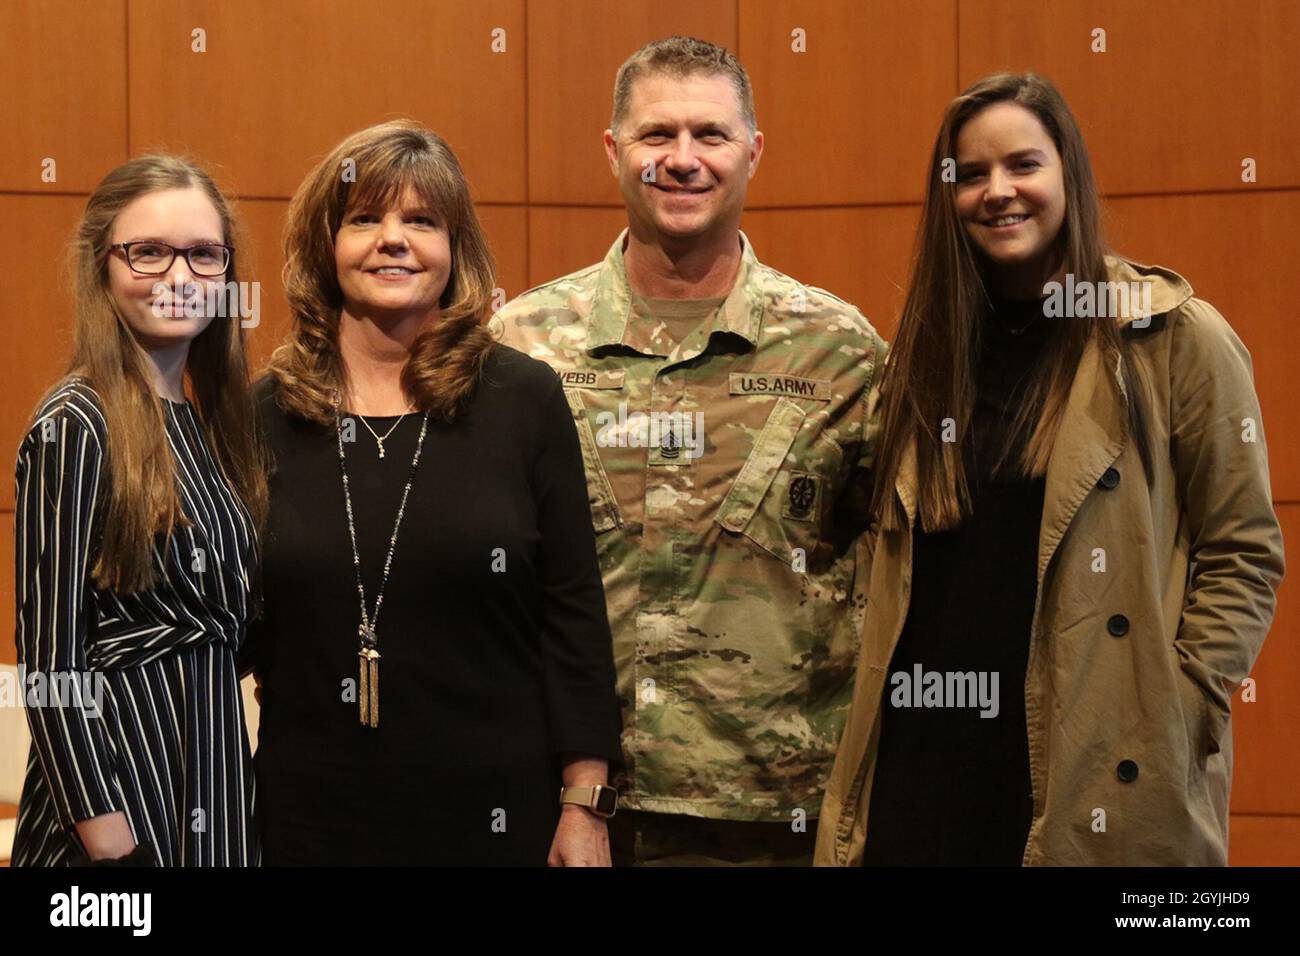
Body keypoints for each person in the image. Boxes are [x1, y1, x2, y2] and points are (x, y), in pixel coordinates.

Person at [815, 73, 1285, 866]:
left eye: (1023, 165)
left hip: (1091, 767)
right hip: (923, 763)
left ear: (1068, 172)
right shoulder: (923, 360)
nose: (998, 192)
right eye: (970, 175)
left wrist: (1181, 708)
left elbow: (1244, 552)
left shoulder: (1173, 338)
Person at [492, 36, 887, 866]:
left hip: (775, 819)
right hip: (569, 812)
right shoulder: (523, 343)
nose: (682, 160)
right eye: (655, 136)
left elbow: (907, 567)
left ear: (752, 150)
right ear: (613, 151)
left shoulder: (839, 351)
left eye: (709, 134)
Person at [248, 120, 622, 866]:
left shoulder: (525, 399)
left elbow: (574, 613)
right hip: (308, 824)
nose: (393, 239)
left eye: (422, 220)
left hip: (497, 821)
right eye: (364, 219)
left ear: (456, 250)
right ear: (326, 245)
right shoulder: (264, 413)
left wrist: (586, 804)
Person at [13, 155, 266, 866]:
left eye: (203, 254)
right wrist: (107, 834)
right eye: (148, 253)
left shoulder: (213, 424)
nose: (179, 278)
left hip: (213, 778)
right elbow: (49, 659)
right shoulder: (76, 422)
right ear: (103, 265)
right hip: (123, 803)